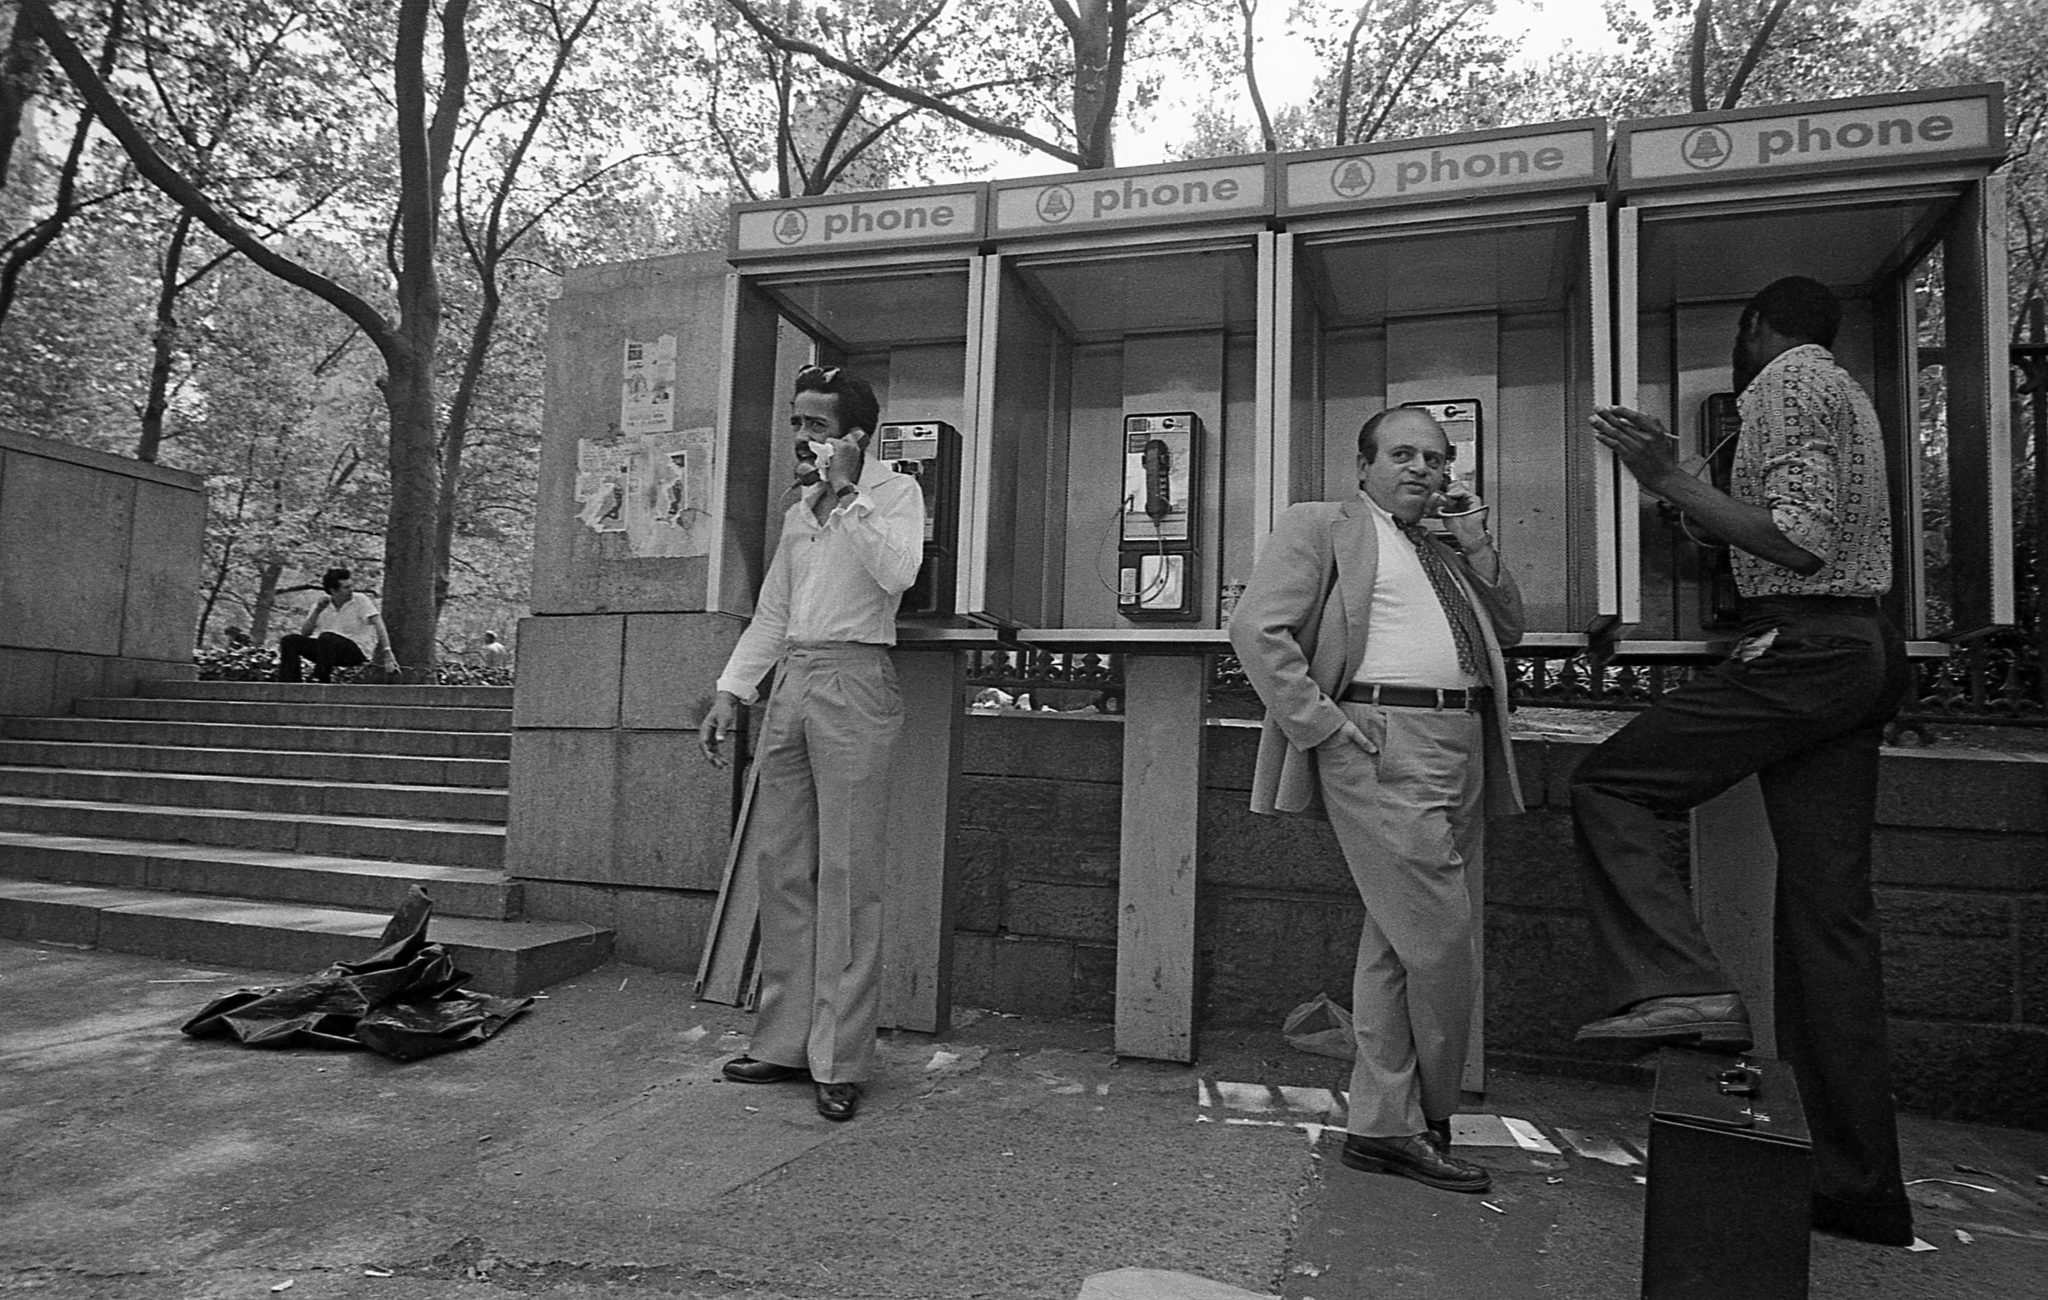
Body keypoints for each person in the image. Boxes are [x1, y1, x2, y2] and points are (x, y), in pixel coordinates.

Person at [1571, 276, 1915, 1246]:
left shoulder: (1780, 387)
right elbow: (1791, 534)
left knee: (1610, 782)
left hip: (1805, 649)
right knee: (1825, 922)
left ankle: (1679, 983)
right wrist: (1696, 514)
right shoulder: (1848, 393)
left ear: (1752, 326)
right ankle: (1857, 1187)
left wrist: (1670, 477)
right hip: (1857, 649)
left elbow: (1798, 543)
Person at [1229, 407, 1525, 1194]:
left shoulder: (1441, 547)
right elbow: (1258, 627)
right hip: (1380, 737)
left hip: (1461, 743)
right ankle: (1427, 1117)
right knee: (1440, 940)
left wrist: (1476, 539)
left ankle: (1381, 1127)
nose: (1422, 469)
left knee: (1398, 943)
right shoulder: (1325, 524)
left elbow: (1513, 628)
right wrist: (1321, 727)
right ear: (1364, 466)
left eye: (1437, 458)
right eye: (1403, 454)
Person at [697, 364, 924, 1123]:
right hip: (793, 679)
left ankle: (841, 1057)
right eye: (797, 423)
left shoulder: (894, 494)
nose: (801, 438)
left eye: (815, 427)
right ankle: (783, 1042)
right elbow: (772, 611)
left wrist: (853, 495)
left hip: (857, 678)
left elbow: (900, 574)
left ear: (853, 437)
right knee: (782, 864)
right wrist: (734, 691)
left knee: (849, 869)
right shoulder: (798, 510)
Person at [277, 568, 394, 682]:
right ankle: (290, 682)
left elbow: (379, 624)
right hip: (324, 650)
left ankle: (320, 677)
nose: (351, 590)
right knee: (289, 640)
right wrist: (317, 610)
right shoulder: (321, 605)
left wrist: (387, 652)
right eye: (346, 587)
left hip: (353, 651)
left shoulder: (360, 600)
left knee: (327, 637)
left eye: (351, 586)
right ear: (333, 591)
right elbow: (305, 633)